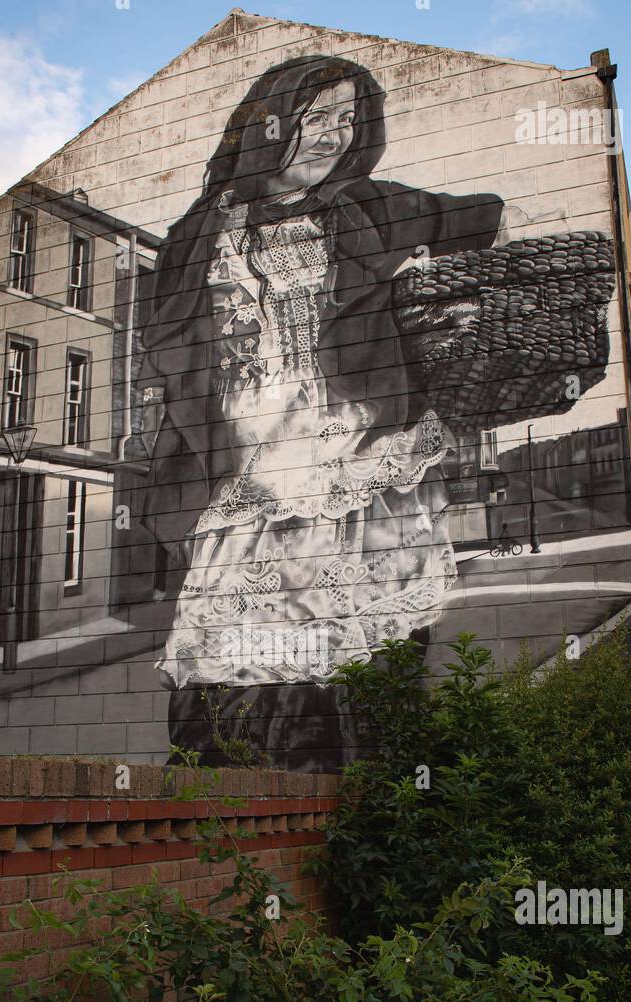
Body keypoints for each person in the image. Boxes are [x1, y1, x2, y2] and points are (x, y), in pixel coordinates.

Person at [117, 55, 503, 768]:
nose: (333, 135)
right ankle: (240, 782)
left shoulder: (371, 205)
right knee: (239, 614)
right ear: (270, 123)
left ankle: (346, 779)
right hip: (253, 450)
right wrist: (223, 432)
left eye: (346, 120)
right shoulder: (201, 233)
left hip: (359, 440)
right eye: (318, 117)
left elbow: (475, 218)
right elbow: (170, 346)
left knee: (362, 618)